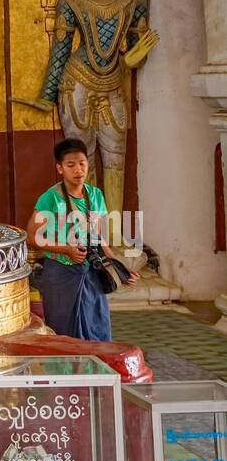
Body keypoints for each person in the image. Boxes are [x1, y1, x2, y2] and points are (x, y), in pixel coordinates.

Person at [25, 137, 139, 342]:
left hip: (91, 273)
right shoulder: (50, 198)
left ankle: (97, 372)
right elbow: (32, 236)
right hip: (61, 273)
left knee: (97, 327)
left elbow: (99, 237)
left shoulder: (95, 195)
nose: (78, 170)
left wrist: (118, 267)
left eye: (82, 163)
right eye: (71, 165)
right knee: (63, 332)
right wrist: (65, 250)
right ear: (60, 168)